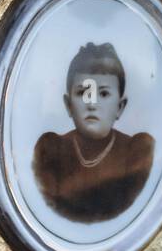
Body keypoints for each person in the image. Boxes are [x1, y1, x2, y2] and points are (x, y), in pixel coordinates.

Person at [31, 42, 154, 223]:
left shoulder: (135, 152)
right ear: (68, 105)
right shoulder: (51, 151)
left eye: (103, 94)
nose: (92, 103)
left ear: (120, 107)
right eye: (83, 93)